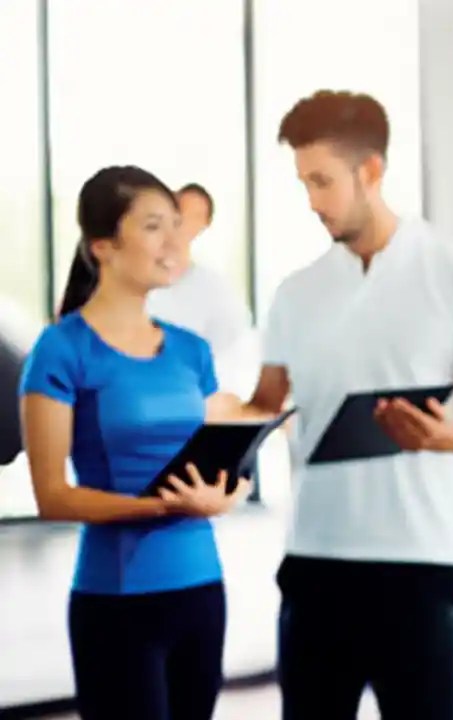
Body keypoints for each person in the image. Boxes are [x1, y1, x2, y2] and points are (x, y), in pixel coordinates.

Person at [237, 90, 453, 720]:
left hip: (424, 567)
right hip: (316, 561)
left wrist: (443, 437)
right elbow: (264, 405)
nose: (311, 201)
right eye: (303, 183)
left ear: (370, 171)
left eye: (322, 181)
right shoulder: (296, 292)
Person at [17, 166, 255, 720]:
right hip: (118, 604)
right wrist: (163, 505)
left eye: (177, 225)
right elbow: (53, 495)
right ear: (103, 246)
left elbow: (225, 464)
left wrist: (226, 496)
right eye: (154, 226)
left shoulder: (192, 351)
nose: (175, 243)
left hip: (201, 591)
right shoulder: (60, 350)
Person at [146, 182, 253, 395]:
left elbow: (228, 353)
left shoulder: (216, 290)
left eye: (194, 216)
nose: (183, 222)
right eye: (179, 211)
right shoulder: (140, 277)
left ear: (205, 224)